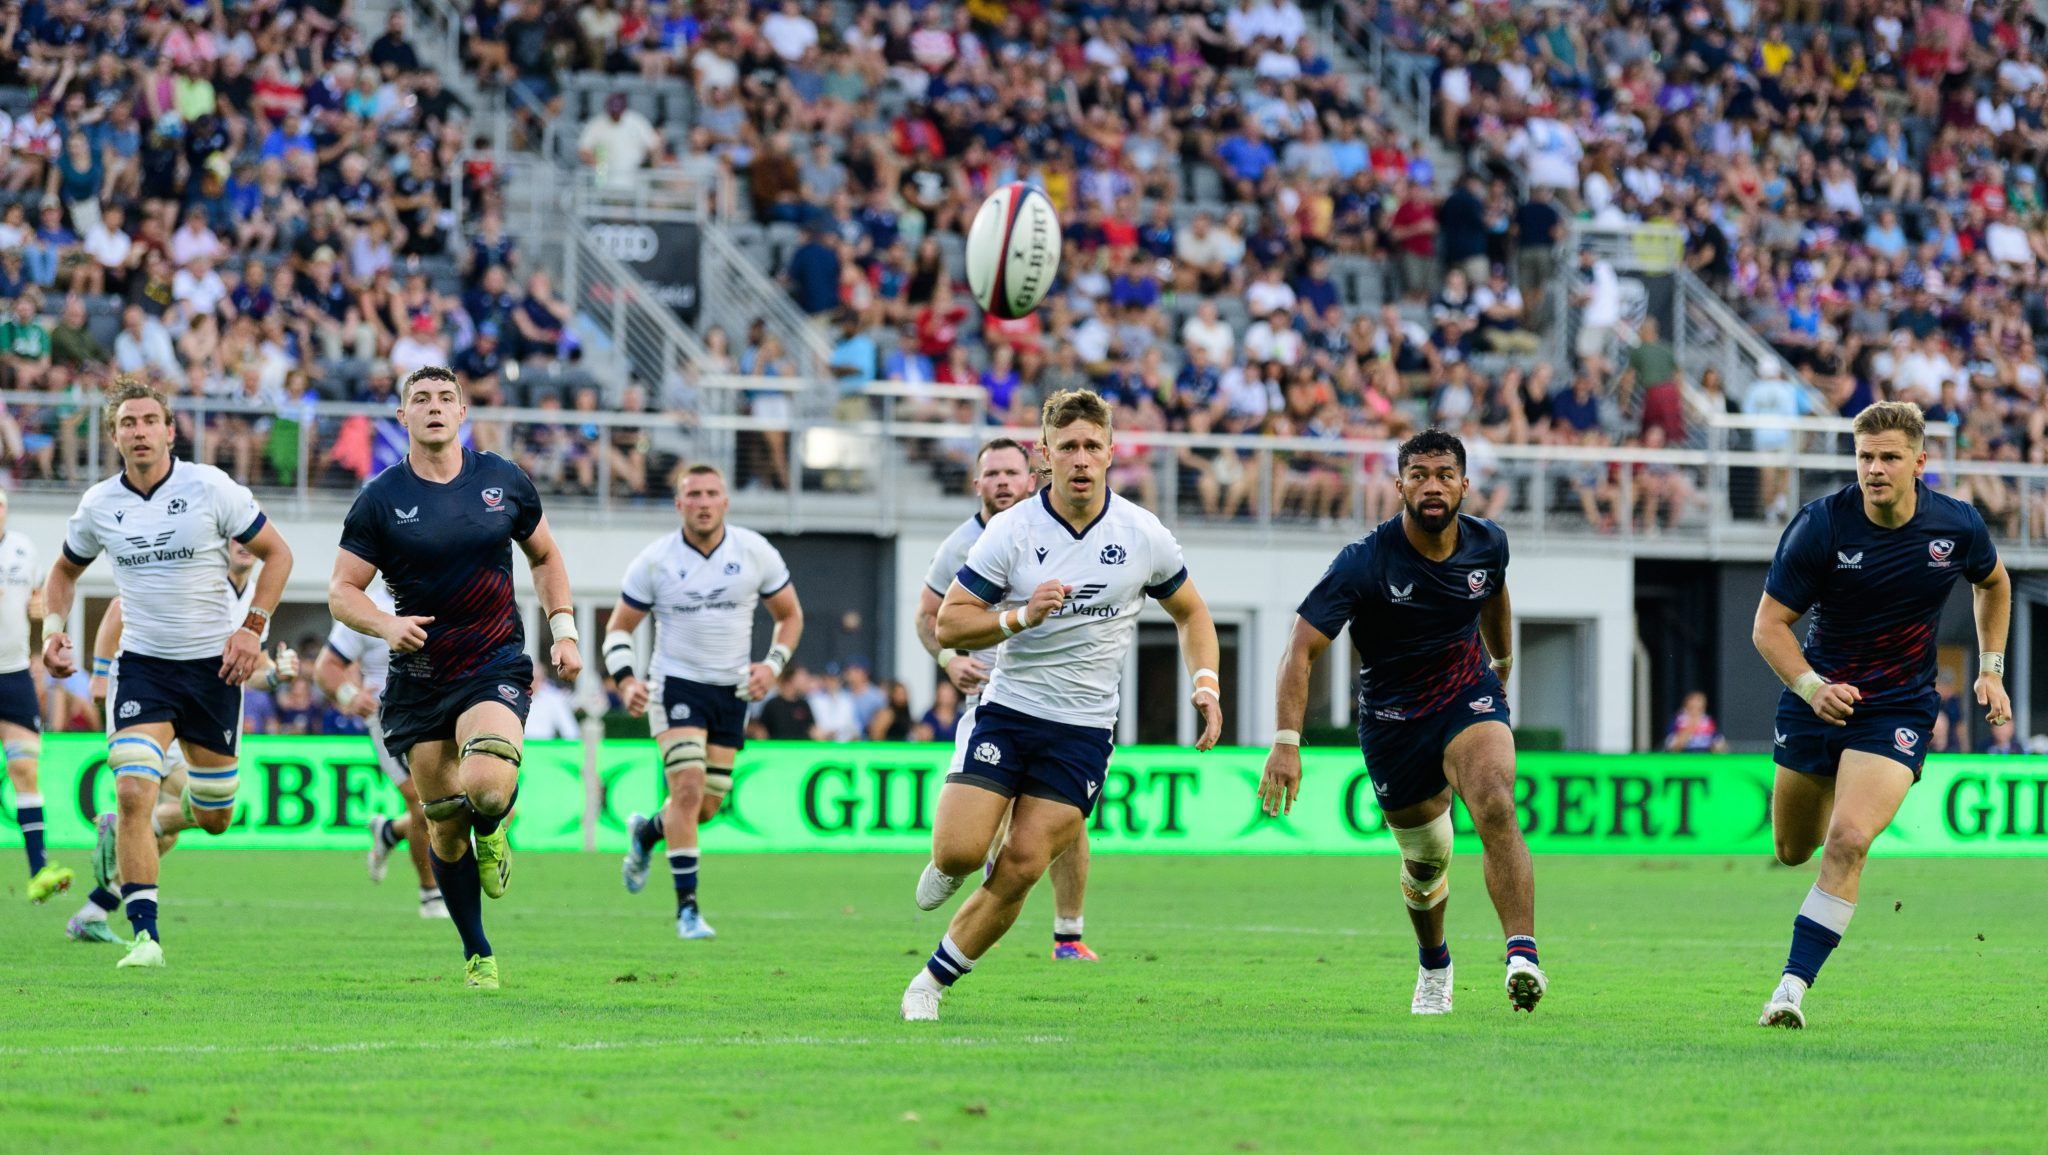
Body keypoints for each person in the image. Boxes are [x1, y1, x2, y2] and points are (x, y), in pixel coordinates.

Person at [904, 390, 1223, 1021]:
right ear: (1044, 456)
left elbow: (1192, 614)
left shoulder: (1142, 534)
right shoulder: (1013, 530)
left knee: (1021, 866)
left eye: (1092, 446)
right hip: (1008, 712)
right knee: (962, 852)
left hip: (1082, 730)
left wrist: (1207, 684)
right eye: (1067, 446)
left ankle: (929, 984)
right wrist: (1021, 616)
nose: (1081, 459)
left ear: (1111, 453)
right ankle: (949, 864)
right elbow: (949, 622)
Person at [1259, 428, 1544, 1016]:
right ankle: (1434, 964)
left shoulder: (1489, 542)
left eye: (1444, 475)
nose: (1432, 486)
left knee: (1495, 801)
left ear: (1465, 485)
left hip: (1467, 696)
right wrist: (1286, 743)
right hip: (1393, 722)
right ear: (1400, 486)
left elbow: (1494, 593)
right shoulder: (1364, 562)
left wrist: (1501, 663)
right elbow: (1300, 650)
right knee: (1427, 859)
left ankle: (1522, 954)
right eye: (1419, 476)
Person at [1753, 401, 2010, 1029]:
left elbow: (1994, 584)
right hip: (1817, 699)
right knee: (1792, 848)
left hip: (1897, 706)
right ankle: (1828, 801)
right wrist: (1811, 687)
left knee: (1849, 839)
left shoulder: (1956, 525)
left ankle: (1790, 989)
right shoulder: (1821, 525)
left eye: (1889, 457)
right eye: (1865, 456)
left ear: (1919, 463)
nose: (1874, 469)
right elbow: (1768, 626)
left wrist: (1990, 668)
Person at [331, 366, 583, 989]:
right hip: (420, 678)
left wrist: (565, 630)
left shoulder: (503, 479)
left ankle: (493, 830)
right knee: (442, 826)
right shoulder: (380, 498)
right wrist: (386, 626)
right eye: (421, 399)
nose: (434, 406)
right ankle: (478, 952)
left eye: (446, 397)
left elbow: (545, 556)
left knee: (488, 788)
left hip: (493, 661)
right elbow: (341, 591)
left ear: (463, 412)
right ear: (403, 416)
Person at [43, 377, 295, 969]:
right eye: (127, 423)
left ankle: (136, 848)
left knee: (214, 816)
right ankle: (145, 937)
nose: (139, 432)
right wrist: (55, 630)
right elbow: (63, 573)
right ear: (114, 437)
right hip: (143, 669)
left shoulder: (210, 487)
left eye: (149, 421)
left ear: (170, 431)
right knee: (133, 788)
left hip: (213, 672)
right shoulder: (99, 504)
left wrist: (251, 628)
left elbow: (279, 554)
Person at [912, 437, 1097, 961]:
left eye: (1010, 472)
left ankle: (1068, 935)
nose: (1001, 482)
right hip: (991, 700)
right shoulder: (961, 544)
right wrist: (949, 661)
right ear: (977, 484)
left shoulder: (1061, 529)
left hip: (1061, 703)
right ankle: (962, 870)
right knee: (990, 823)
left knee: (1068, 821)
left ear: (1031, 477)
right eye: (991, 474)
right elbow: (928, 615)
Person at [606, 464, 804, 940]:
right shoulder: (655, 561)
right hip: (676, 685)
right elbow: (618, 629)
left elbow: (791, 616)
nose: (703, 502)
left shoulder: (754, 552)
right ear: (679, 504)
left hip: (732, 691)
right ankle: (688, 911)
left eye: (712, 493)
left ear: (725, 502)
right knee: (689, 789)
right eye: (693, 494)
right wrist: (626, 681)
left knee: (706, 807)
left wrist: (773, 666)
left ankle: (646, 833)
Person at [67, 542, 300, 943]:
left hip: (204, 715)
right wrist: (101, 673)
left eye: (250, 540)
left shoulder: (256, 598)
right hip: (160, 705)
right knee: (204, 807)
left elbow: (252, 667)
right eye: (236, 537)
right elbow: (119, 609)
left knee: (170, 830)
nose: (244, 546)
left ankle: (94, 910)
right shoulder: (196, 574)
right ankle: (122, 830)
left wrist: (278, 674)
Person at [315, 580, 448, 920]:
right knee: (422, 803)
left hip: (442, 713)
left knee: (455, 800)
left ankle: (389, 831)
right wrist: (349, 696)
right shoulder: (367, 608)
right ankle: (430, 894)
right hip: (389, 718)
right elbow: (326, 667)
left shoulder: (443, 594)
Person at [0, 489, 68, 904]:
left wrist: (44, 639)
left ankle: (38, 871)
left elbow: (38, 604)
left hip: (13, 674)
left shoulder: (24, 550)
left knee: (25, 769)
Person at [1663, 691, 1728, 753]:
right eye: (1692, 708)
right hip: (1683, 756)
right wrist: (1691, 727)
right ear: (1685, 706)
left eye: (1699, 709)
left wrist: (1717, 746)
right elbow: (1671, 748)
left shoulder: (1708, 721)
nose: (1695, 711)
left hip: (1705, 756)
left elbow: (1720, 744)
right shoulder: (1677, 721)